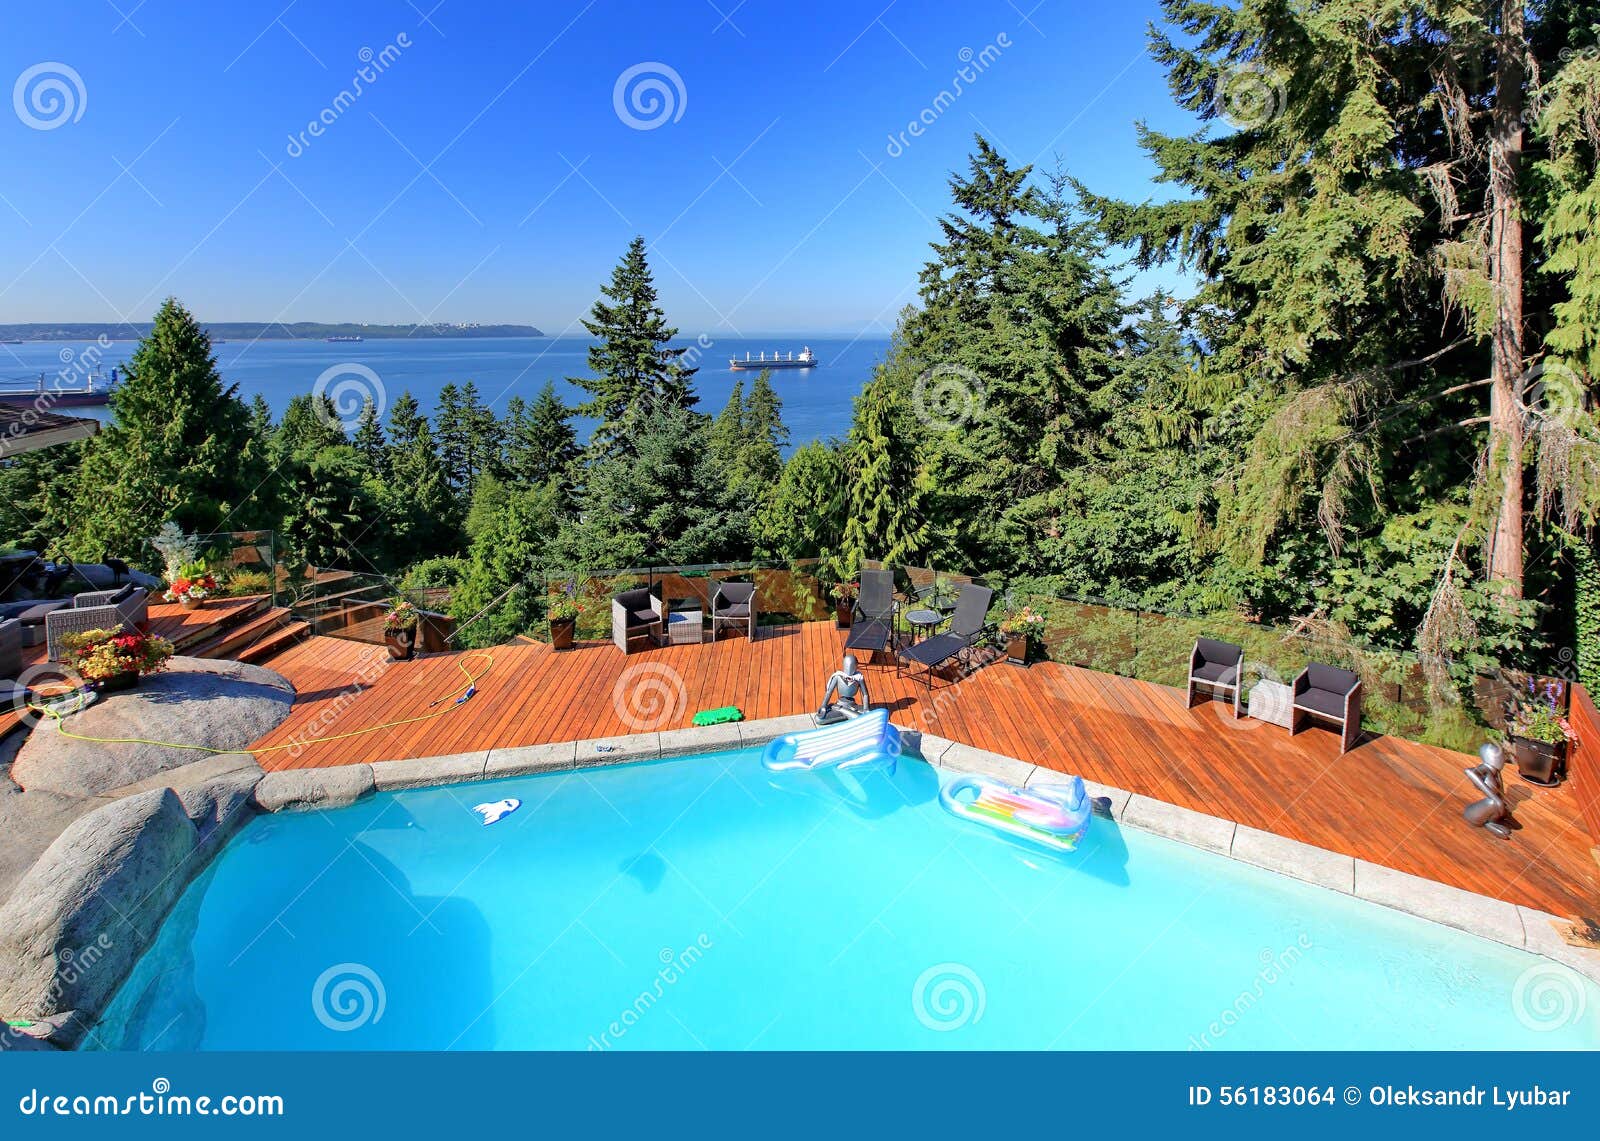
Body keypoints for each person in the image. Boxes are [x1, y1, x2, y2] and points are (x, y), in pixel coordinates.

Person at [817, 653, 872, 723]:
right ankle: (845, 713)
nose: (849, 668)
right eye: (847, 665)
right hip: (840, 703)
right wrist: (823, 706)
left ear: (855, 666)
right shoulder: (838, 676)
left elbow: (865, 694)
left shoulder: (859, 678)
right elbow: (829, 692)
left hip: (851, 706)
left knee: (864, 719)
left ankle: (842, 711)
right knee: (819, 719)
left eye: (852, 666)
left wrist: (866, 708)